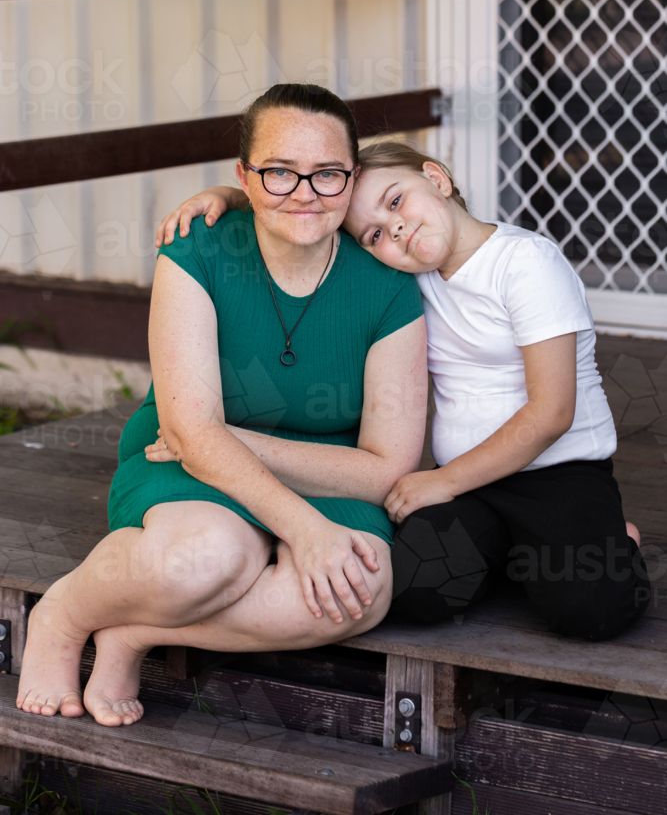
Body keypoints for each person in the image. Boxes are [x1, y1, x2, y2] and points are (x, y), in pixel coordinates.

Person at [16, 86, 427, 727]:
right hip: (184, 464)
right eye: (279, 172)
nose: (305, 192)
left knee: (360, 595)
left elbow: (386, 467)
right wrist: (304, 528)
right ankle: (63, 615)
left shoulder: (388, 282)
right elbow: (186, 431)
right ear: (243, 175)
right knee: (203, 559)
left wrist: (222, 438)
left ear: (351, 179)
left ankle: (129, 634)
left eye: (327, 174)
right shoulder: (199, 249)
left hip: (321, 472)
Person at [156, 140, 650, 642]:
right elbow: (313, 213)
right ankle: (520, 556)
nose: (393, 229)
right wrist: (229, 196)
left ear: (436, 179)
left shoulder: (525, 262)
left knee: (591, 610)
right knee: (413, 587)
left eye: (396, 201)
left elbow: (552, 413)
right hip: (476, 488)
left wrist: (444, 482)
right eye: (373, 234)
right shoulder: (411, 277)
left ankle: (614, 542)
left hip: (558, 474)